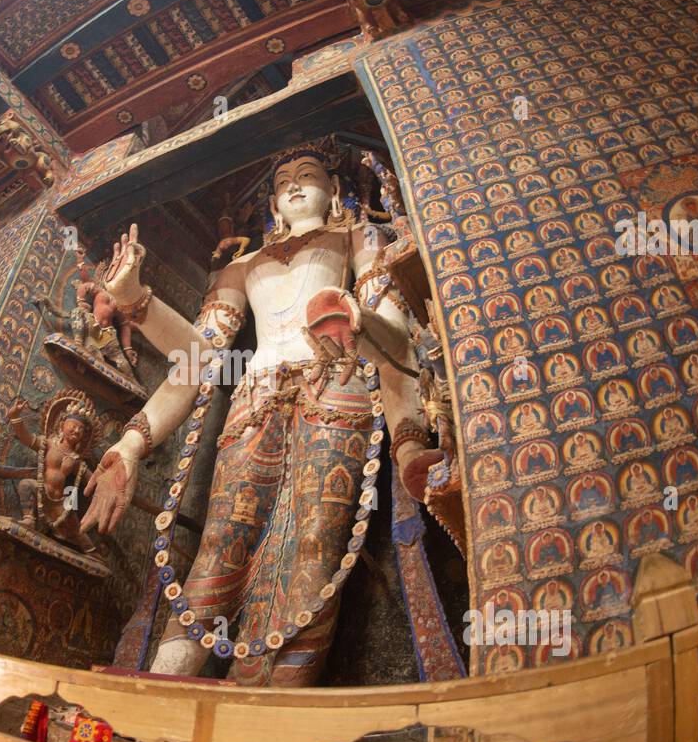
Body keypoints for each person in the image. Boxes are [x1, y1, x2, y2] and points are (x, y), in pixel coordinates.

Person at [80, 139, 445, 687]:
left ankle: (275, 706)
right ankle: (163, 692)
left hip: (337, 389)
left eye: (308, 174)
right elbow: (199, 360)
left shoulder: (359, 236)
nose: (294, 185)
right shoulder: (242, 265)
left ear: (334, 189)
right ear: (273, 204)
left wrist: (357, 323)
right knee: (220, 545)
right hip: (252, 402)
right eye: (281, 181)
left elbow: (398, 341)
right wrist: (137, 303)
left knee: (314, 548)